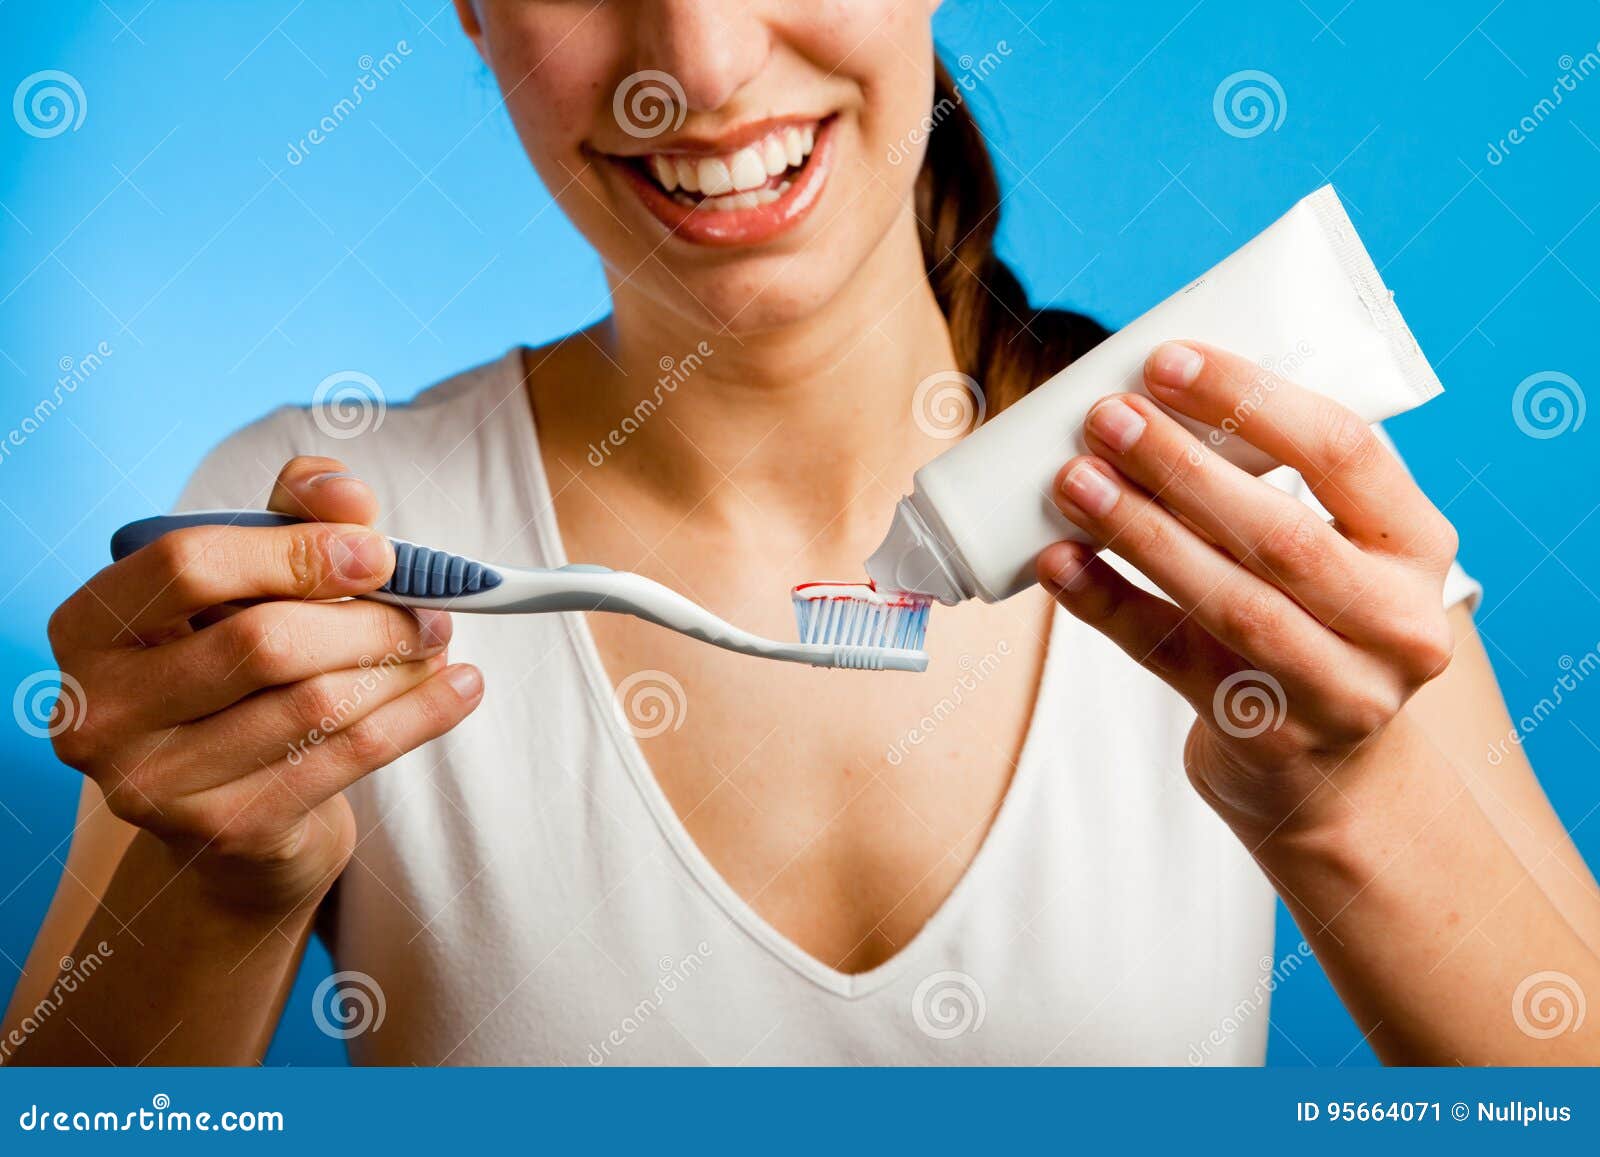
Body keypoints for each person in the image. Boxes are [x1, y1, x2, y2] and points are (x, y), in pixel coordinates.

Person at [7, 1, 1597, 1065]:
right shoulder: (313, 527)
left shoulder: (1254, 522)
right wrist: (217, 887)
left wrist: (1346, 802)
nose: (698, 63)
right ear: (474, 10)